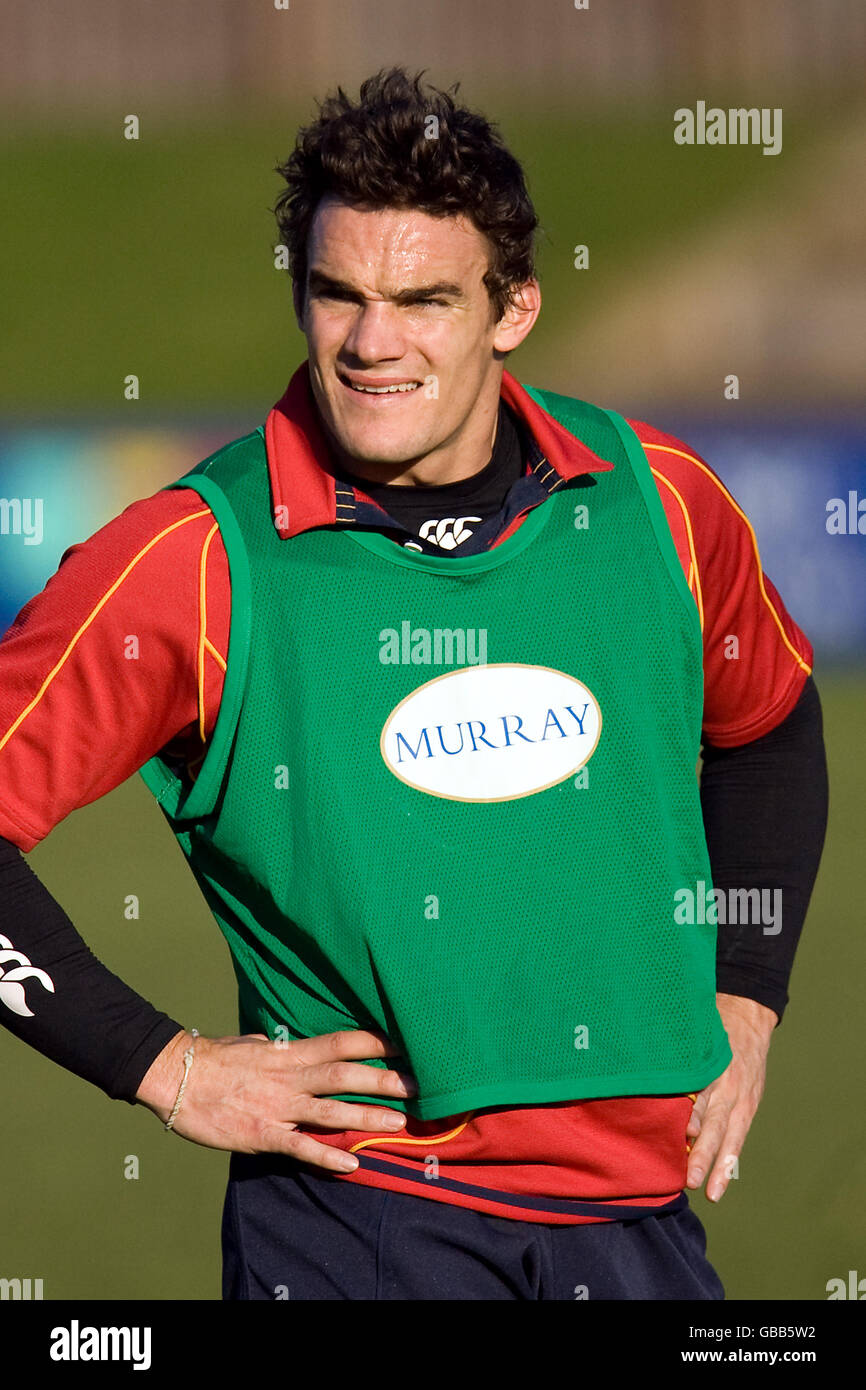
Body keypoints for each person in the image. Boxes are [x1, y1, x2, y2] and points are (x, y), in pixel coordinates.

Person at [0, 68, 827, 1301]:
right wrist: (166, 1068)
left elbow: (767, 724)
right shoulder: (196, 559)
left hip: (646, 1222)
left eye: (423, 298)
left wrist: (747, 993)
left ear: (513, 309)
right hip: (364, 1225)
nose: (371, 341)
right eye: (336, 294)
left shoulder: (657, 499)